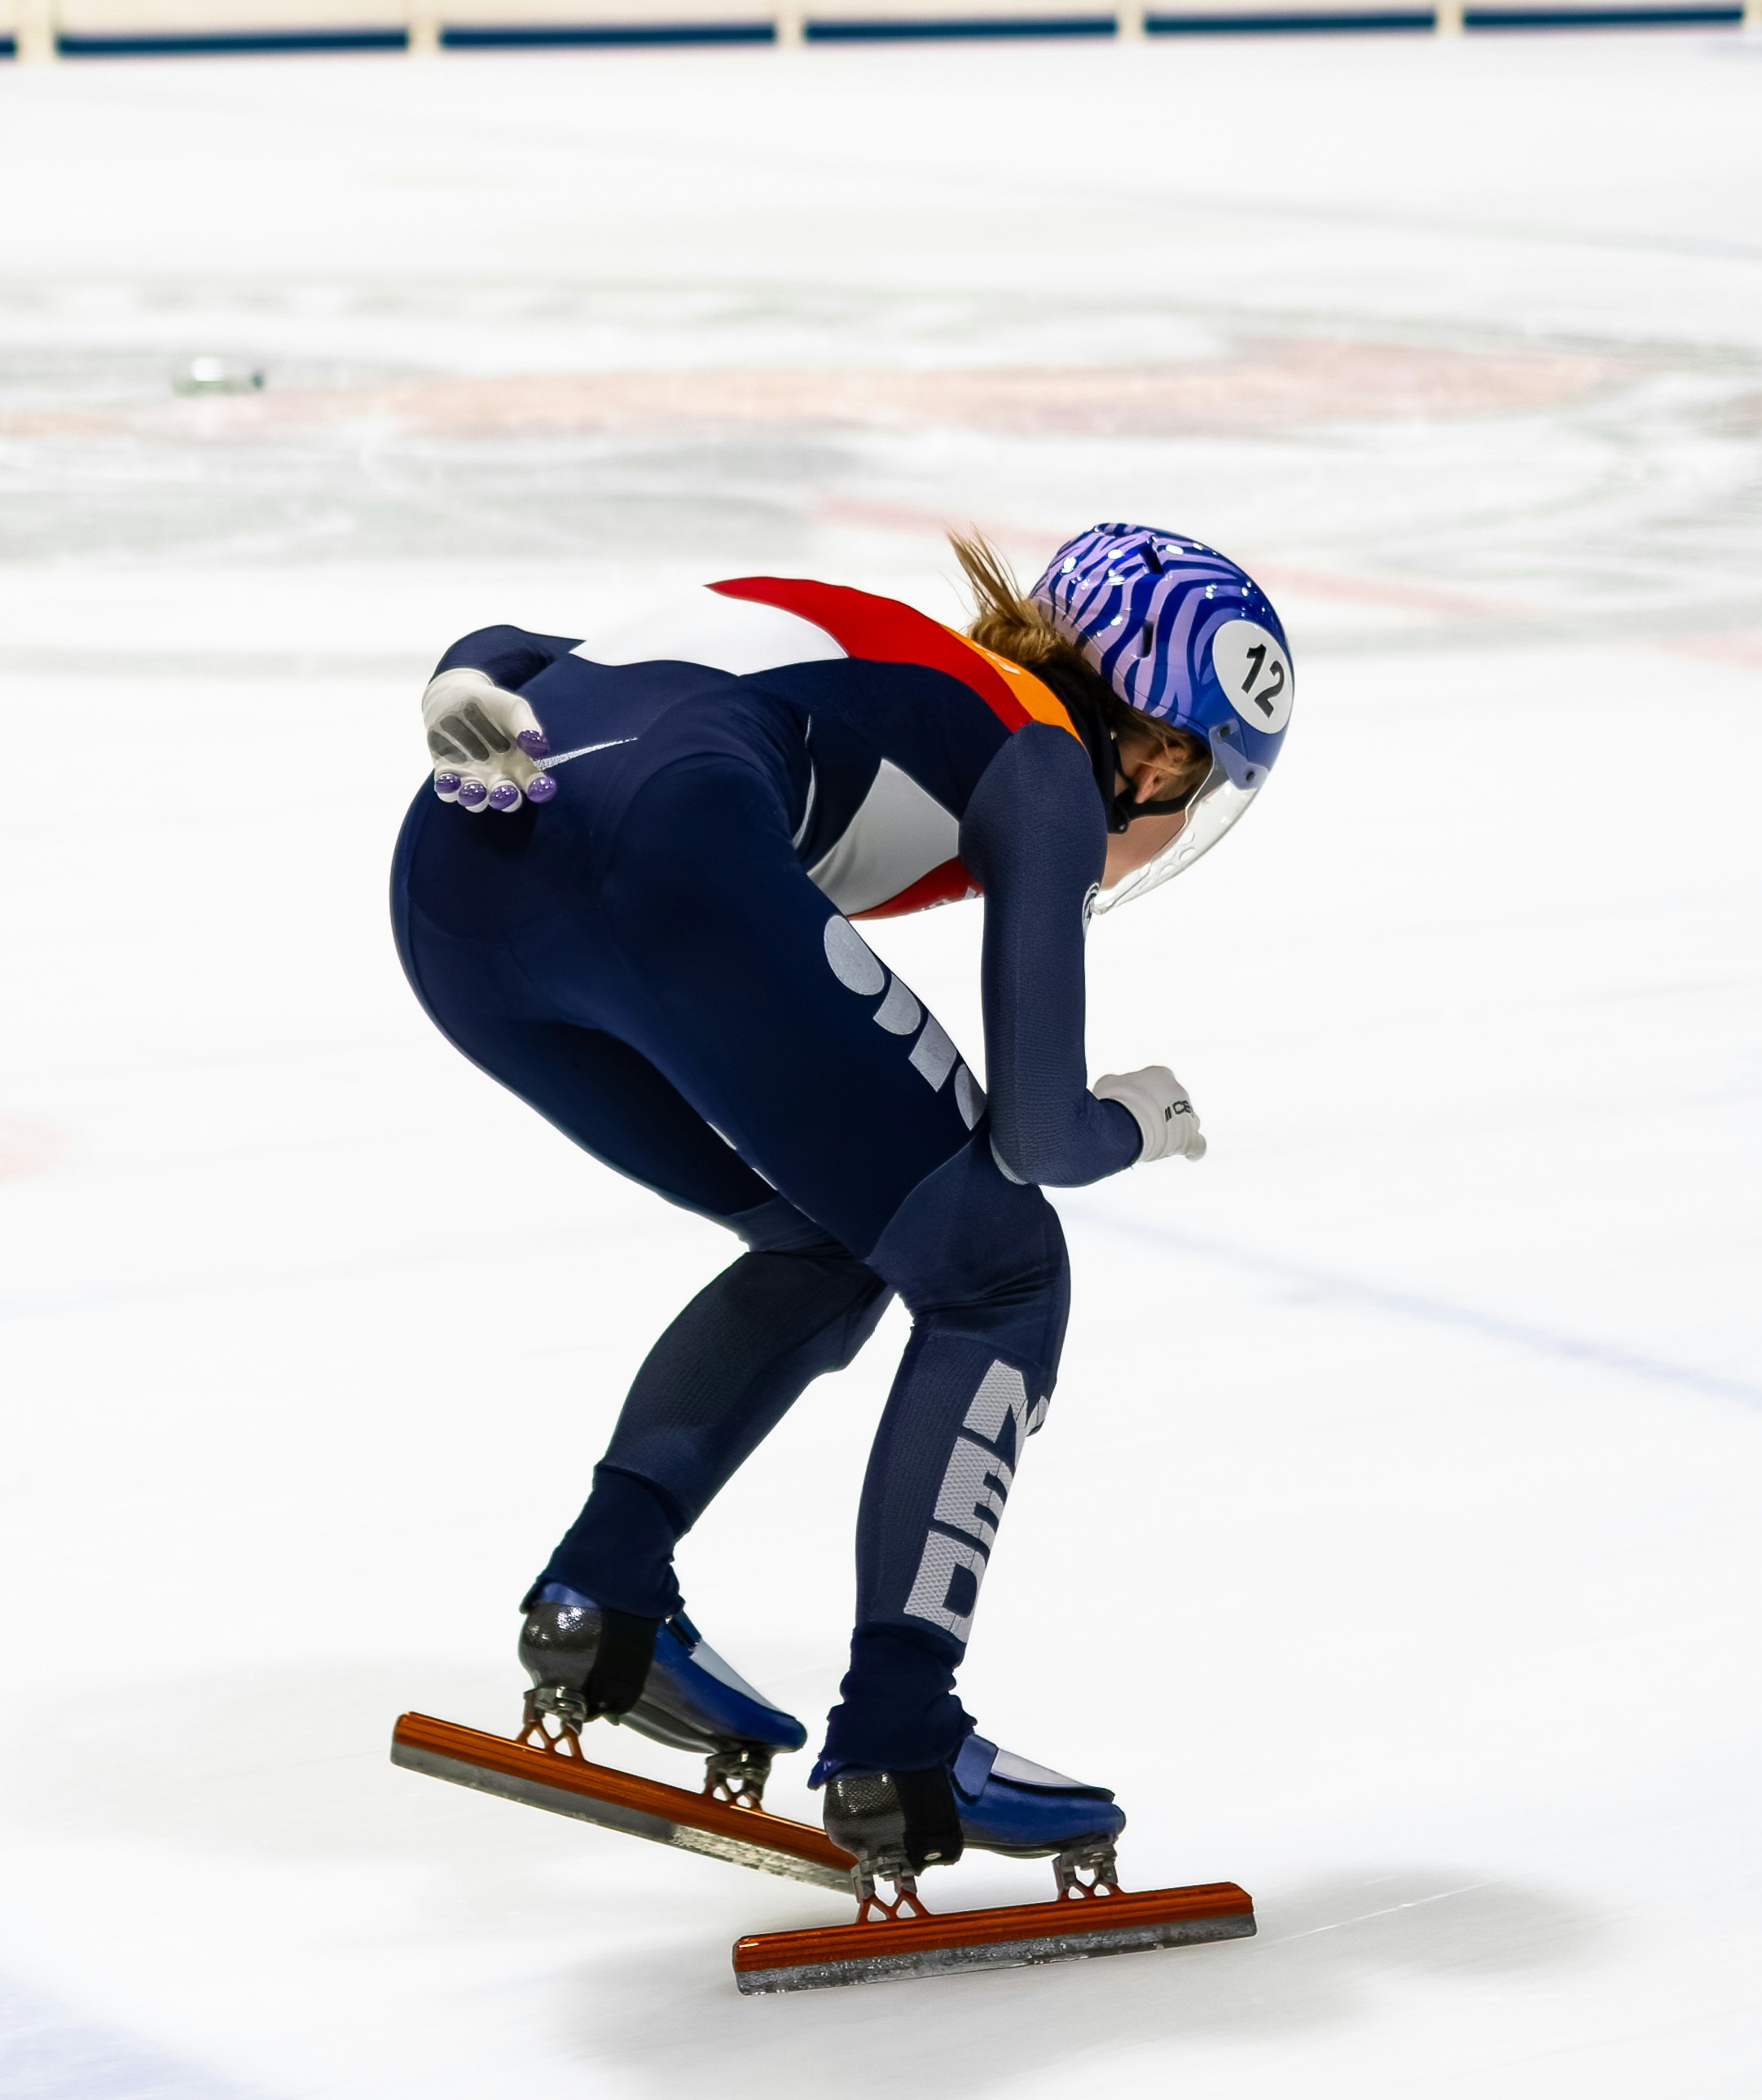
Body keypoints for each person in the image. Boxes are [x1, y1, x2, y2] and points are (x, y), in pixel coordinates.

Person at [389, 523, 1294, 1893]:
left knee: (834, 1226)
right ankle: (901, 1741)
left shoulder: (894, 656)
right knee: (997, 1264)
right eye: (1195, 785)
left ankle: (608, 1598)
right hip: (674, 861)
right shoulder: (1044, 761)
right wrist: (1145, 1119)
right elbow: (1039, 1130)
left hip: (458, 881)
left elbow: (503, 659)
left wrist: (469, 710)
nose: (1167, 818)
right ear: (1156, 752)